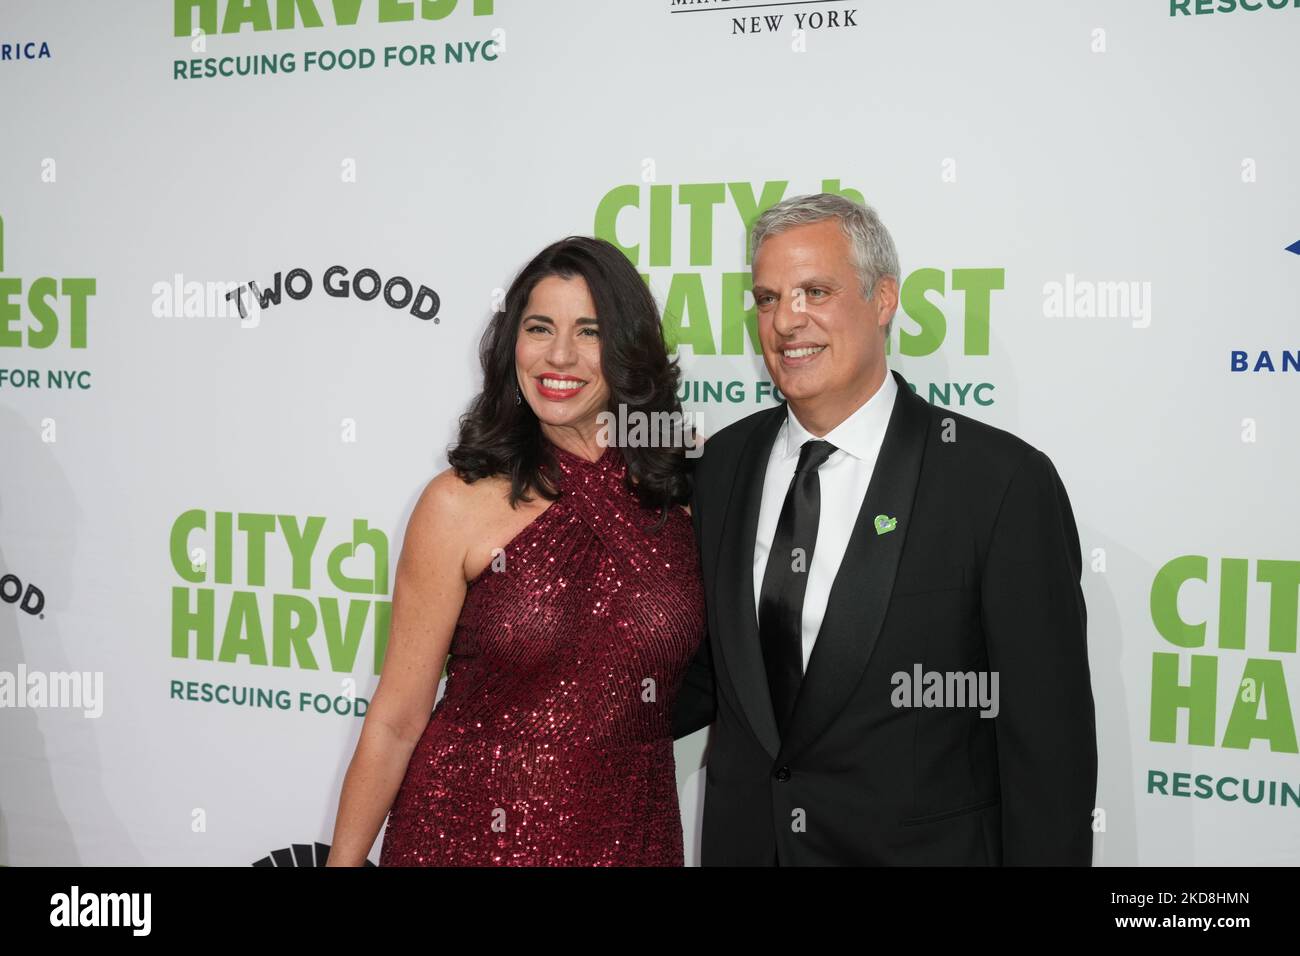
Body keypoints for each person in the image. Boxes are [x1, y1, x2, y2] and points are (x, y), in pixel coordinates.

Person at [673, 193, 1098, 865]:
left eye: (815, 291)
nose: (787, 320)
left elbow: (1049, 753)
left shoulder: (999, 484)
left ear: (883, 299)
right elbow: (708, 676)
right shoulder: (720, 467)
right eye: (767, 298)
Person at [328, 236, 704, 866]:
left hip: (630, 838)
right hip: (463, 837)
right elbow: (397, 717)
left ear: (628, 348)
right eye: (540, 328)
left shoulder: (684, 495)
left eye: (589, 331)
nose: (560, 355)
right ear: (513, 345)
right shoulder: (457, 503)